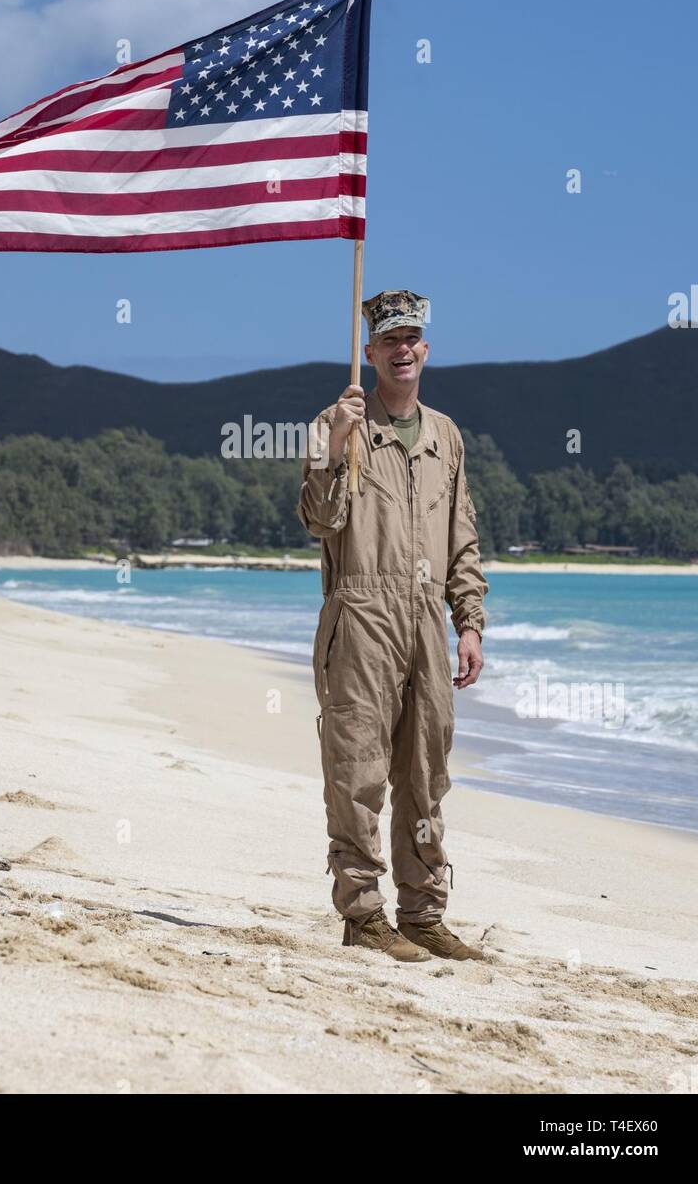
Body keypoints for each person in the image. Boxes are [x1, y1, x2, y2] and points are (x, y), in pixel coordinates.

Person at [297, 290, 488, 962]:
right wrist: (337, 443)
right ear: (370, 352)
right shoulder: (337, 422)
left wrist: (469, 622)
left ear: (425, 351)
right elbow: (318, 519)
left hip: (425, 619)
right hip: (361, 612)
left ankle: (424, 913)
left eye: (412, 340)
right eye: (390, 341)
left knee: (425, 770)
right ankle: (363, 914)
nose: (402, 350)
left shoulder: (446, 436)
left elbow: (462, 538)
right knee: (358, 767)